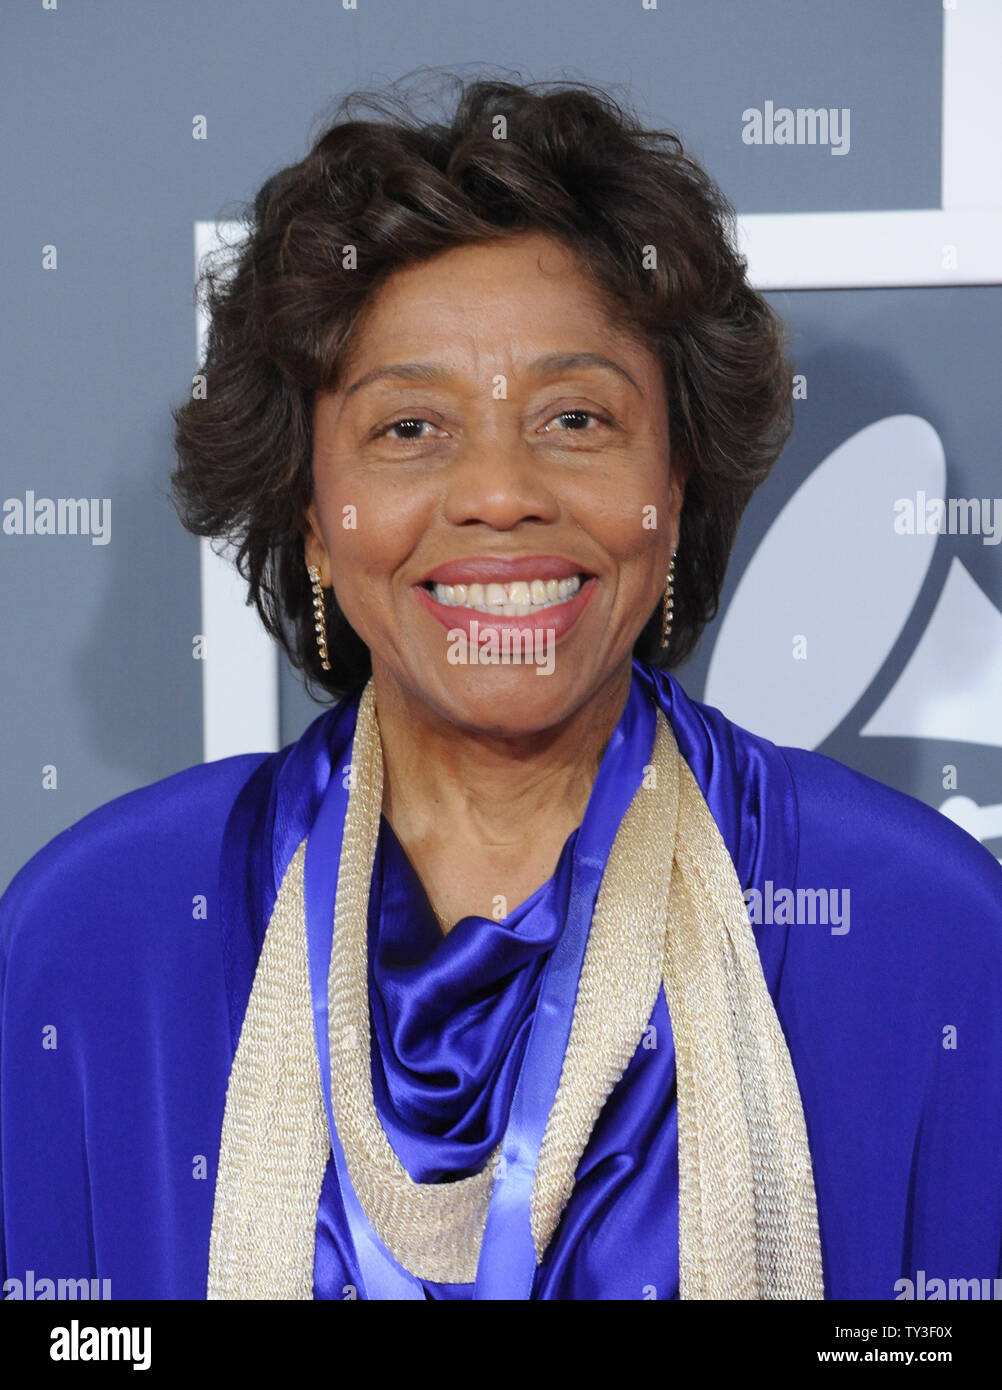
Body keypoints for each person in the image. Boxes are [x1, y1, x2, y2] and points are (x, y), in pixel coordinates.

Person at [2, 74, 1001, 1303]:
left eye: (576, 416)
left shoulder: (919, 932)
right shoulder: (98, 940)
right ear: (311, 516)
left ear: (674, 484)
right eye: (409, 429)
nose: (498, 492)